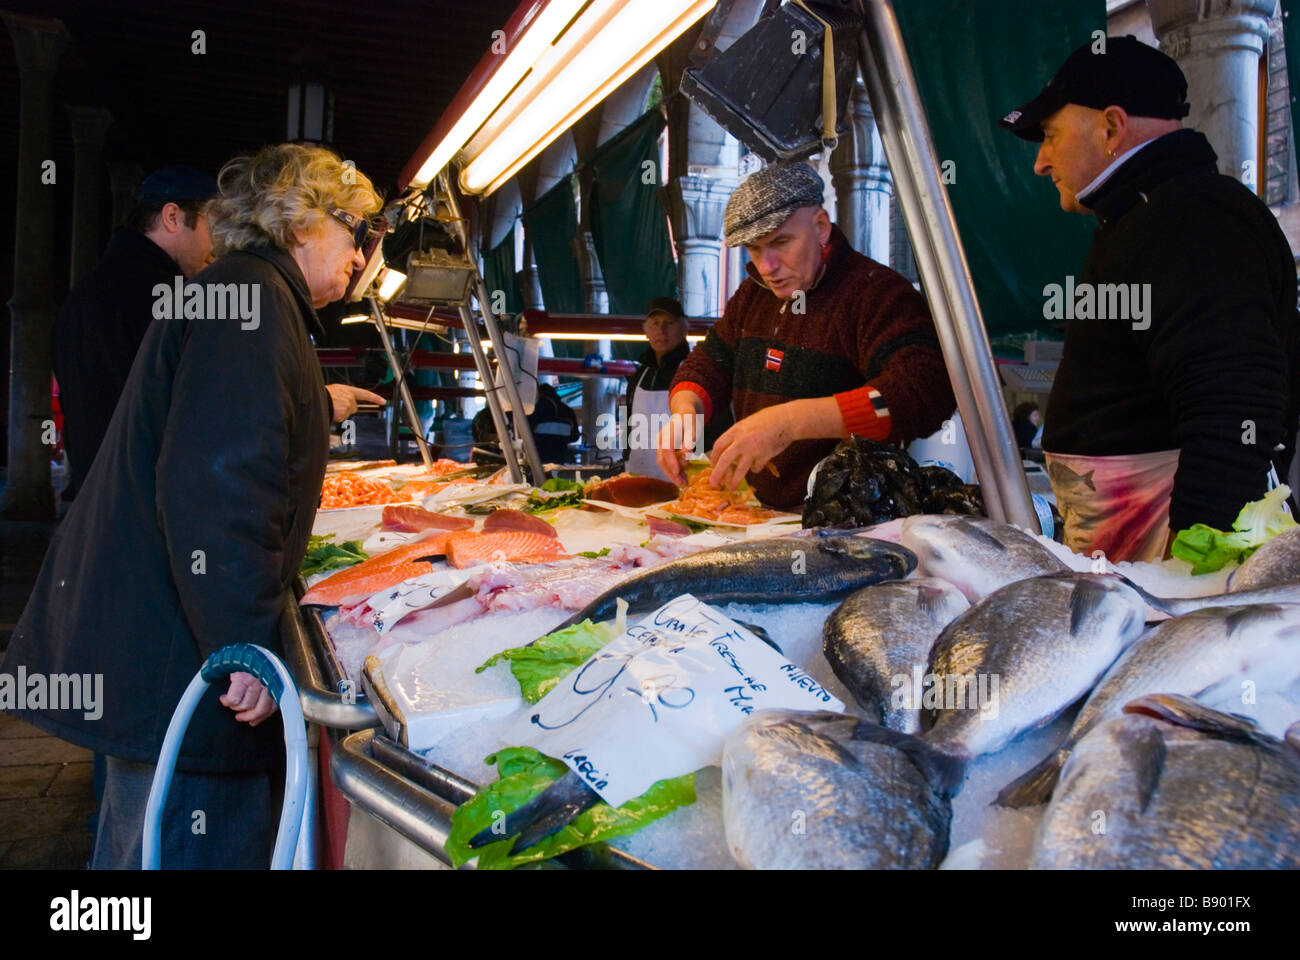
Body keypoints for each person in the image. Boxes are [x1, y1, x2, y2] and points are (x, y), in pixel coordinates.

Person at [2, 143, 385, 868]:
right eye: (354, 230)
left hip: (161, 640)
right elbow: (218, 483)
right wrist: (242, 644)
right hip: (180, 655)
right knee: (177, 840)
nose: (361, 256)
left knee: (138, 840)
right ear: (302, 221)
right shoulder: (254, 302)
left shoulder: (248, 293)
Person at [999, 35, 1299, 562]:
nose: (1040, 163)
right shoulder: (1143, 215)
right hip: (1125, 548)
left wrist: (1193, 571)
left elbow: (1233, 409)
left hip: (1172, 551)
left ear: (1111, 127)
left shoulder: (1195, 218)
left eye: (1050, 136)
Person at [656, 162, 955, 508]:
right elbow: (709, 364)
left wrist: (789, 423)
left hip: (848, 521)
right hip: (759, 514)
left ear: (821, 227)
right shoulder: (753, 296)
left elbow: (923, 391)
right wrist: (685, 413)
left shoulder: (877, 294)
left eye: (781, 242)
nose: (766, 267)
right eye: (753, 249)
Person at [53, 167, 218, 497]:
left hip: (97, 499)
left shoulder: (86, 291)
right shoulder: (167, 298)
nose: (217, 246)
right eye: (214, 224)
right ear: (173, 216)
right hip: (144, 506)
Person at [624, 297, 690, 481]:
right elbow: (627, 423)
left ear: (684, 329)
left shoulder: (694, 372)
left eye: (669, 323)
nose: (662, 331)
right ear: (646, 332)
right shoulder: (638, 376)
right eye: (655, 323)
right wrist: (625, 461)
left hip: (682, 481)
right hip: (638, 478)